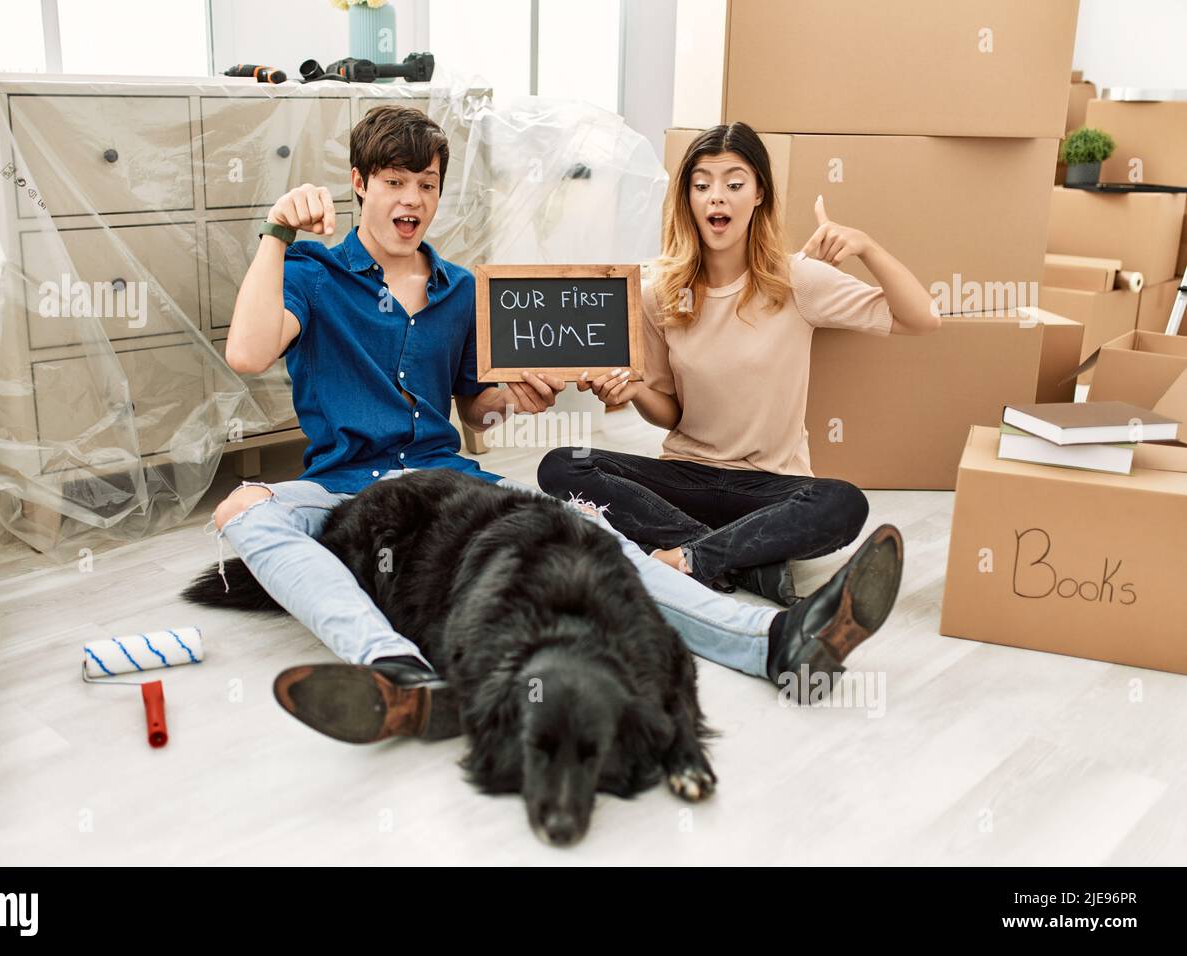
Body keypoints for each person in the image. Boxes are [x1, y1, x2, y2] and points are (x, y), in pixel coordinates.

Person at [209, 106, 905, 745]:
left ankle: (775, 638)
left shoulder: (460, 290)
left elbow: (477, 411)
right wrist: (276, 233)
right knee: (247, 516)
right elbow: (247, 353)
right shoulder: (312, 271)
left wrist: (518, 397)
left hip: (449, 490)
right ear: (359, 184)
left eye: (426, 184)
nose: (412, 201)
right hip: (345, 491)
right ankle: (396, 671)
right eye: (394, 182)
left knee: (589, 528)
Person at [538, 121, 939, 609]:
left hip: (769, 484)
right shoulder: (659, 294)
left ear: (759, 195)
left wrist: (865, 246)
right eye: (702, 184)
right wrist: (636, 390)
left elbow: (921, 319)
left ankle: (687, 556)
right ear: (687, 199)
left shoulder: (799, 281)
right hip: (685, 476)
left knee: (842, 503)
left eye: (733, 183)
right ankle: (740, 559)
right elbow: (671, 414)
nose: (716, 198)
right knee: (563, 465)